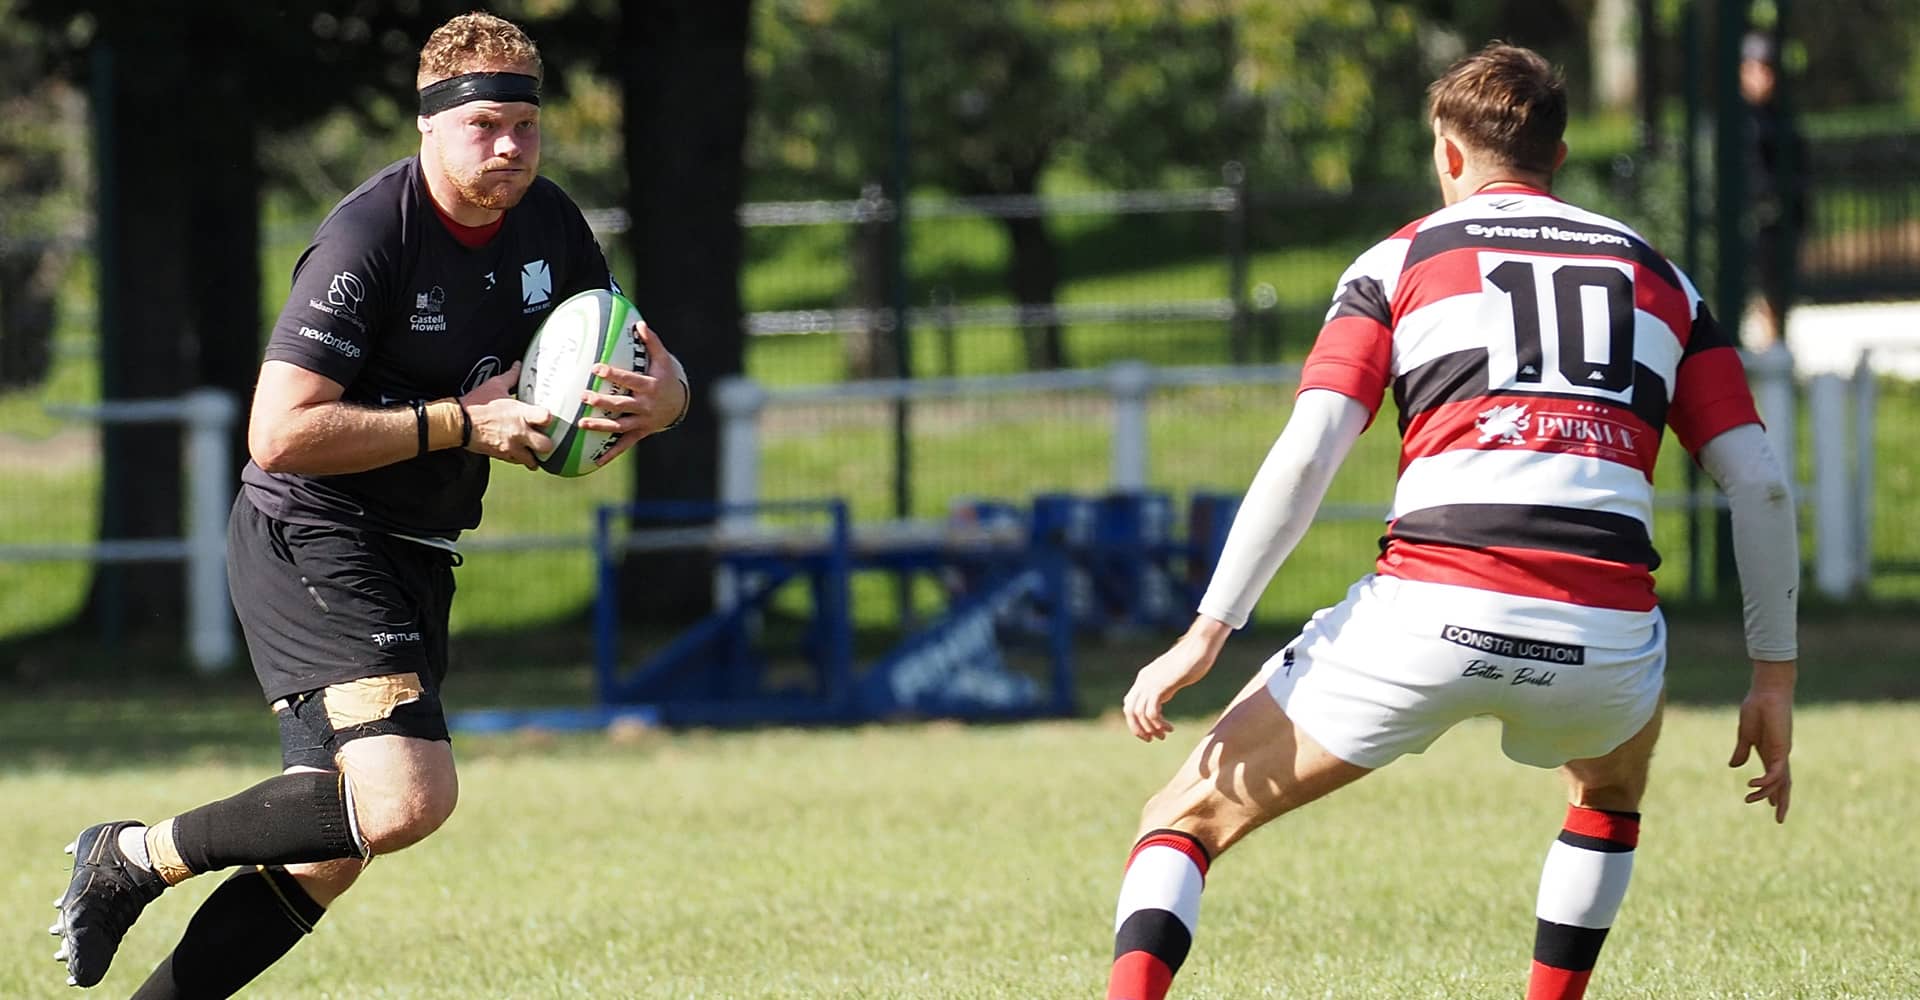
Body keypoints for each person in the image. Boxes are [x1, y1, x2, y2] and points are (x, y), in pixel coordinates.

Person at [1104, 44, 1798, 1000]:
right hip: (1601, 636)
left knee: (1181, 818)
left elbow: (1309, 452)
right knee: (1607, 791)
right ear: (1558, 157)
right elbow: (1757, 483)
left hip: (1428, 611)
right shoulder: (1662, 278)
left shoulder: (1402, 260)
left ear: (1448, 152)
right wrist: (1774, 675)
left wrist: (1204, 634)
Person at [49, 12, 689, 996]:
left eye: (526, 122)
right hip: (313, 530)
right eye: (484, 124)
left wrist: (661, 399)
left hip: (418, 545)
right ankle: (131, 856)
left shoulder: (552, 223)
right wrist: (459, 427)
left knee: (328, 840)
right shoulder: (371, 234)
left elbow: (648, 358)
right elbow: (280, 430)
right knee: (404, 800)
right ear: (429, 124)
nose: (510, 143)